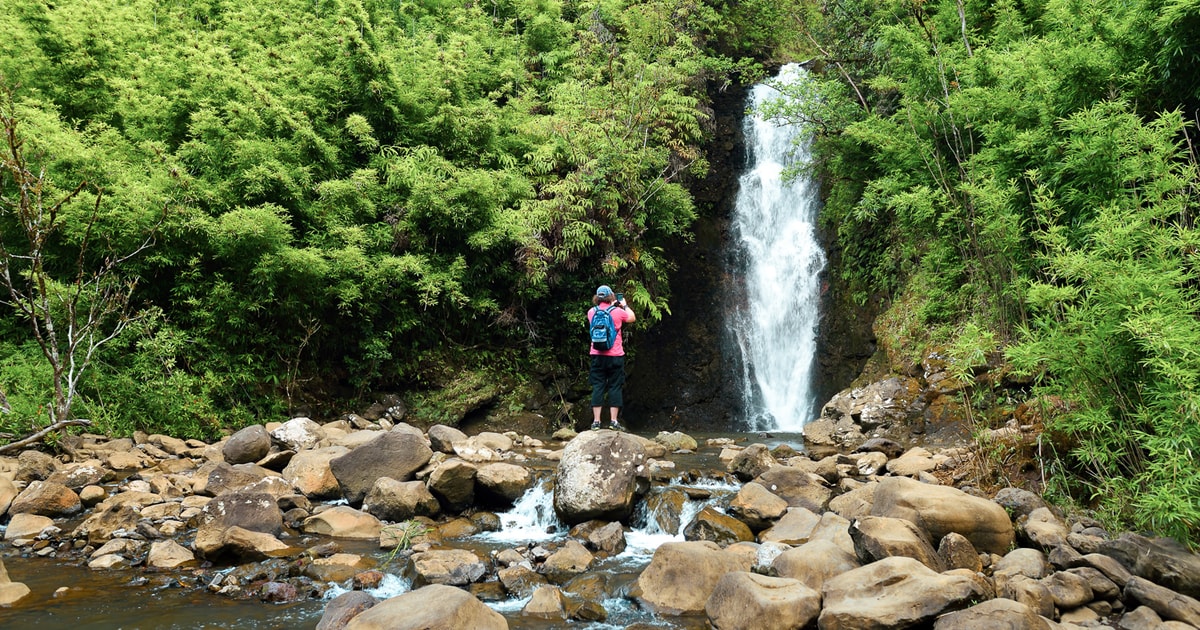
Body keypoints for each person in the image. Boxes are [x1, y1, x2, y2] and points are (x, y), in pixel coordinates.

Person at [587, 285, 635, 430]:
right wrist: (624, 305)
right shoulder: (618, 312)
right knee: (615, 386)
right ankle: (613, 421)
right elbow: (632, 318)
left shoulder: (591, 312)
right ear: (611, 297)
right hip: (615, 355)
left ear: (597, 297)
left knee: (598, 386)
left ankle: (596, 422)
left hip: (597, 354)